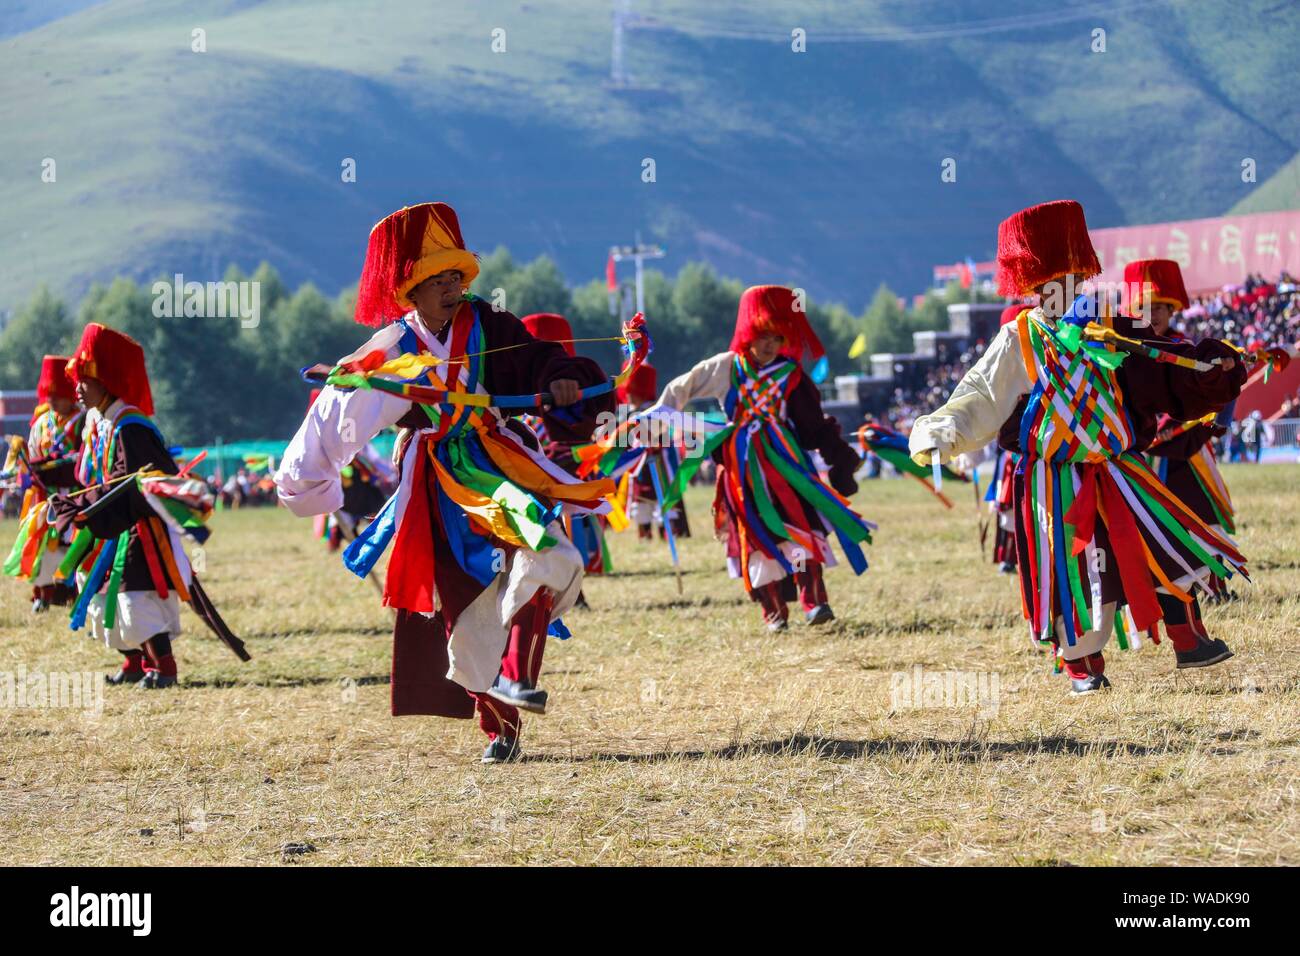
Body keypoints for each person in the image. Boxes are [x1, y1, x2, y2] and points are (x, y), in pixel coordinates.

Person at [275, 202, 619, 763]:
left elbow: (539, 360)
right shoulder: (389, 350)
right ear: (409, 289)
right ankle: (501, 726)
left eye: (457, 273)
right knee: (468, 608)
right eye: (437, 277)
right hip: (436, 490)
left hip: (504, 465)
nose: (452, 285)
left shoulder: (492, 326)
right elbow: (338, 415)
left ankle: (516, 675)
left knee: (550, 552)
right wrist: (309, 486)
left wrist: (560, 382)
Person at [909, 201, 1248, 695]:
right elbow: (982, 395)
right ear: (1029, 284)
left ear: (1084, 274)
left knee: (1164, 545)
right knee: (1072, 568)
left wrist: (1210, 372)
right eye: (1047, 282)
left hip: (1118, 468)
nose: (1059, 292)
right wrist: (942, 431)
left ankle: (1187, 637)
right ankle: (1081, 662)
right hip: (1054, 477)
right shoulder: (1018, 337)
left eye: (1070, 278)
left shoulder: (1113, 328)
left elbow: (1166, 372)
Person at [652, 284, 873, 630]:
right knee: (755, 536)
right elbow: (681, 390)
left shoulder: (792, 375)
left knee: (801, 529)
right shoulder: (726, 367)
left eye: (777, 337)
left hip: (787, 464)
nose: (770, 345)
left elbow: (813, 423)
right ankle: (773, 613)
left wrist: (840, 458)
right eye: (762, 335)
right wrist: (656, 422)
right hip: (741, 470)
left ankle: (814, 602)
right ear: (747, 331)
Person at [48, 325, 245, 687]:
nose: (76, 387)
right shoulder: (100, 422)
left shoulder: (130, 426)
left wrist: (85, 508)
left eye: (84, 380)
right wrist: (75, 500)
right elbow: (98, 478)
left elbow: (133, 485)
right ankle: (135, 662)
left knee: (135, 594)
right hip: (113, 525)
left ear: (105, 382)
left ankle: (164, 669)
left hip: (141, 528)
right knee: (90, 583)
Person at [4, 354, 84, 611]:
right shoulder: (40, 423)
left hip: (76, 496)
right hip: (45, 499)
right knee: (43, 547)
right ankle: (43, 595)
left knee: (75, 547)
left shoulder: (83, 421)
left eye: (58, 394)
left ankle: (75, 593)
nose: (52, 400)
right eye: (48, 394)